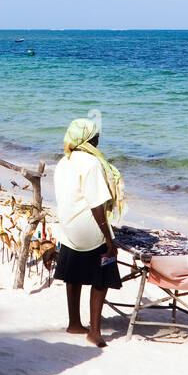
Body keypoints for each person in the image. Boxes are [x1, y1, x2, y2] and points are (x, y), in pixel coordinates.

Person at [52, 117, 124, 347]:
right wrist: (108, 238)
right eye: (96, 136)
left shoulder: (65, 160)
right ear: (89, 139)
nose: (98, 139)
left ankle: (74, 323)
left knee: (72, 276)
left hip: (68, 227)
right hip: (89, 228)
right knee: (101, 276)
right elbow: (96, 204)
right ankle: (94, 331)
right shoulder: (92, 164)